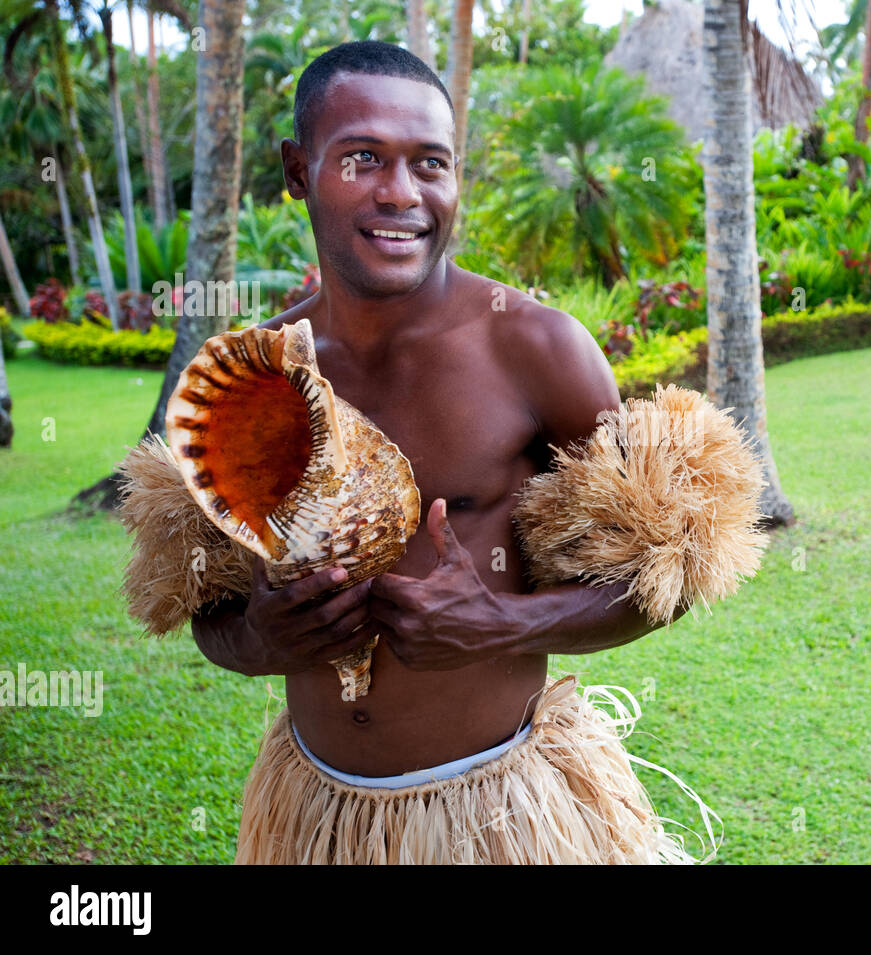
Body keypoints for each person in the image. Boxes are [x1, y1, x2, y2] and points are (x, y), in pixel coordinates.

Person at [179, 41, 732, 865]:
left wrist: (502, 624)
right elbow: (207, 615)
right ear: (298, 170)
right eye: (362, 157)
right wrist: (262, 636)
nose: (401, 194)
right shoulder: (248, 380)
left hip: (502, 815)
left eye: (429, 163)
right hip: (317, 817)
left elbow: (666, 575)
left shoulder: (537, 348)